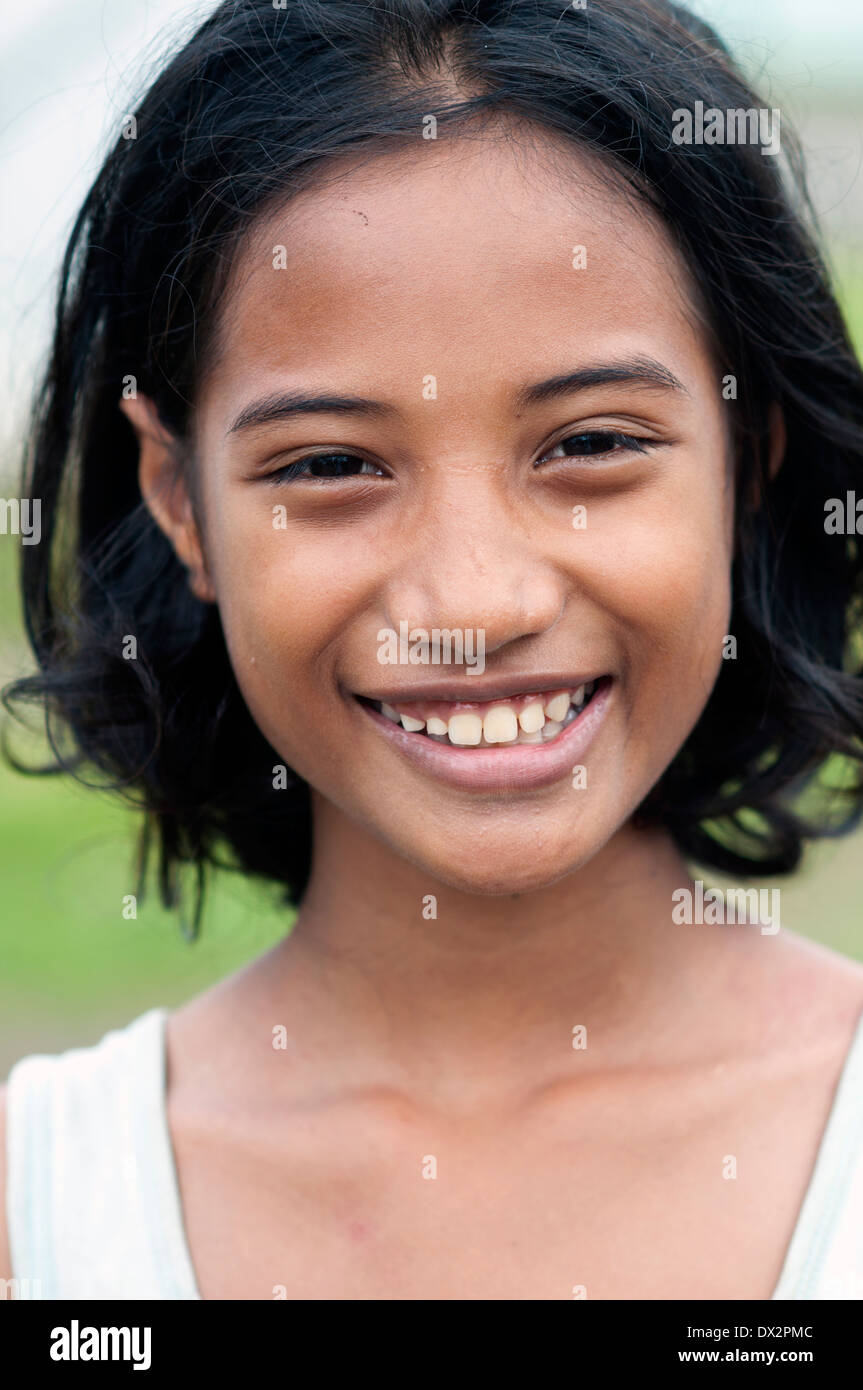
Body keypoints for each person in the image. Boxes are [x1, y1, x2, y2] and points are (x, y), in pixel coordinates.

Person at [2, 0, 863, 1300]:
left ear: (749, 459)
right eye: (332, 465)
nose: (476, 597)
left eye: (591, 443)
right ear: (181, 502)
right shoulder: (47, 1213)